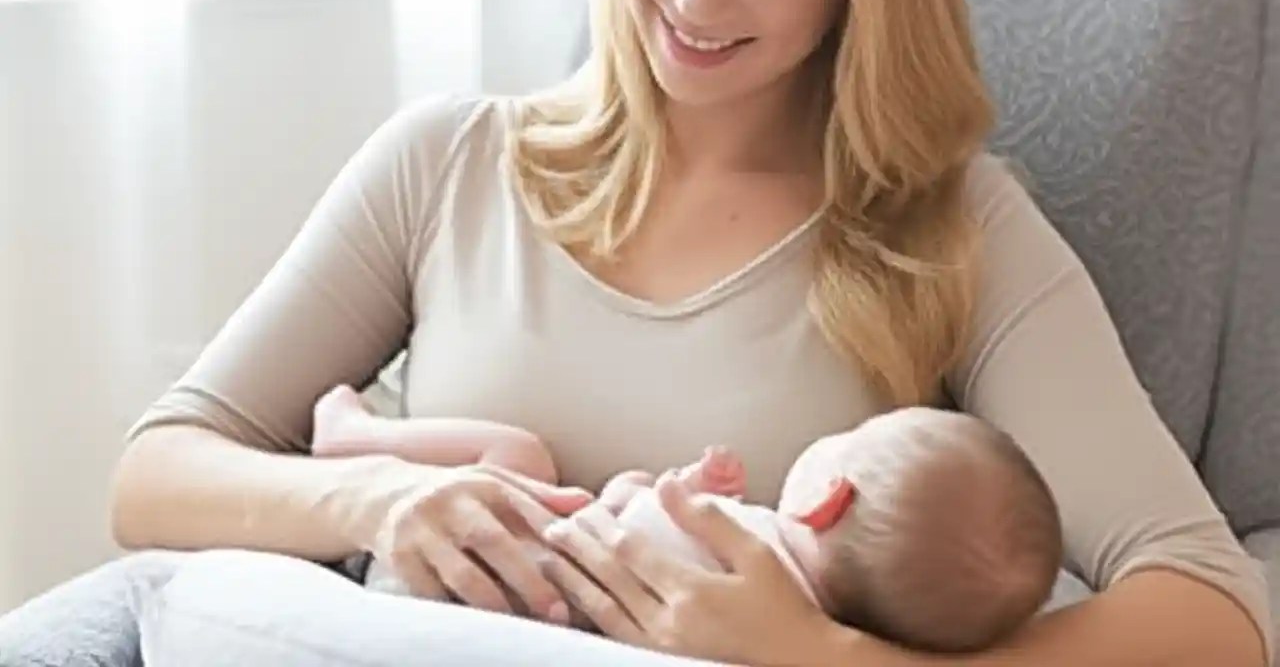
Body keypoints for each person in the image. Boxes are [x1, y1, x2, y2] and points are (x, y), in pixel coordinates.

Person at [110, 0, 1273, 664]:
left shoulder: (950, 230)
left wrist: (823, 659)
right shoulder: (446, 166)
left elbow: (1210, 614)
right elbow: (157, 474)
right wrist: (380, 498)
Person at [316, 388, 1063, 653]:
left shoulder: (738, 539)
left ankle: (355, 440)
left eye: (853, 436)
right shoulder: (793, 620)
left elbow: (624, 509)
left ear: (828, 498)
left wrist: (672, 486)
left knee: (519, 456)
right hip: (491, 606)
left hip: (464, 562)